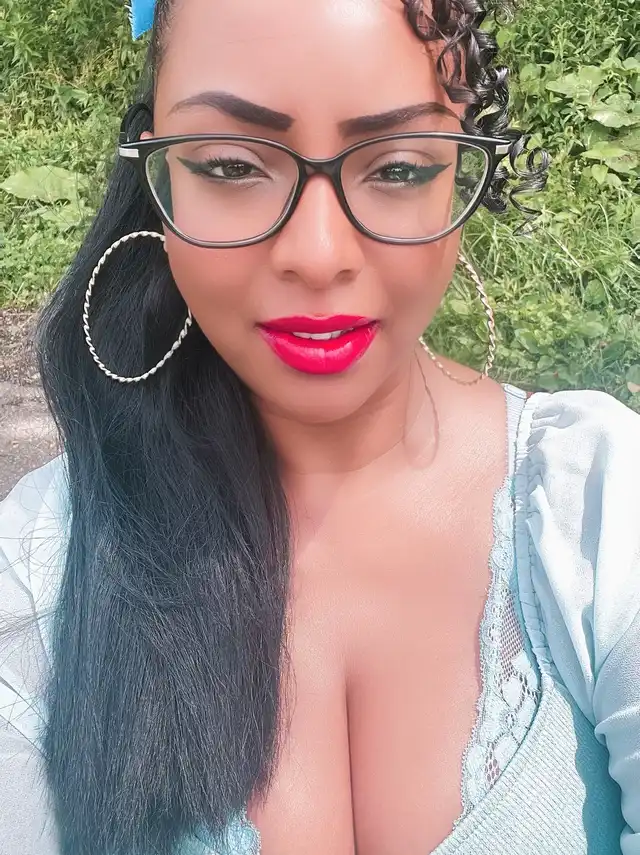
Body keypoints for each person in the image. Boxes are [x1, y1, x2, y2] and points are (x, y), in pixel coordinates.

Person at [1, 0, 638, 853]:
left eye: (400, 167)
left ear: (462, 166)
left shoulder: (599, 515)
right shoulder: (40, 569)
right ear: (158, 171)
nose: (318, 254)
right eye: (230, 165)